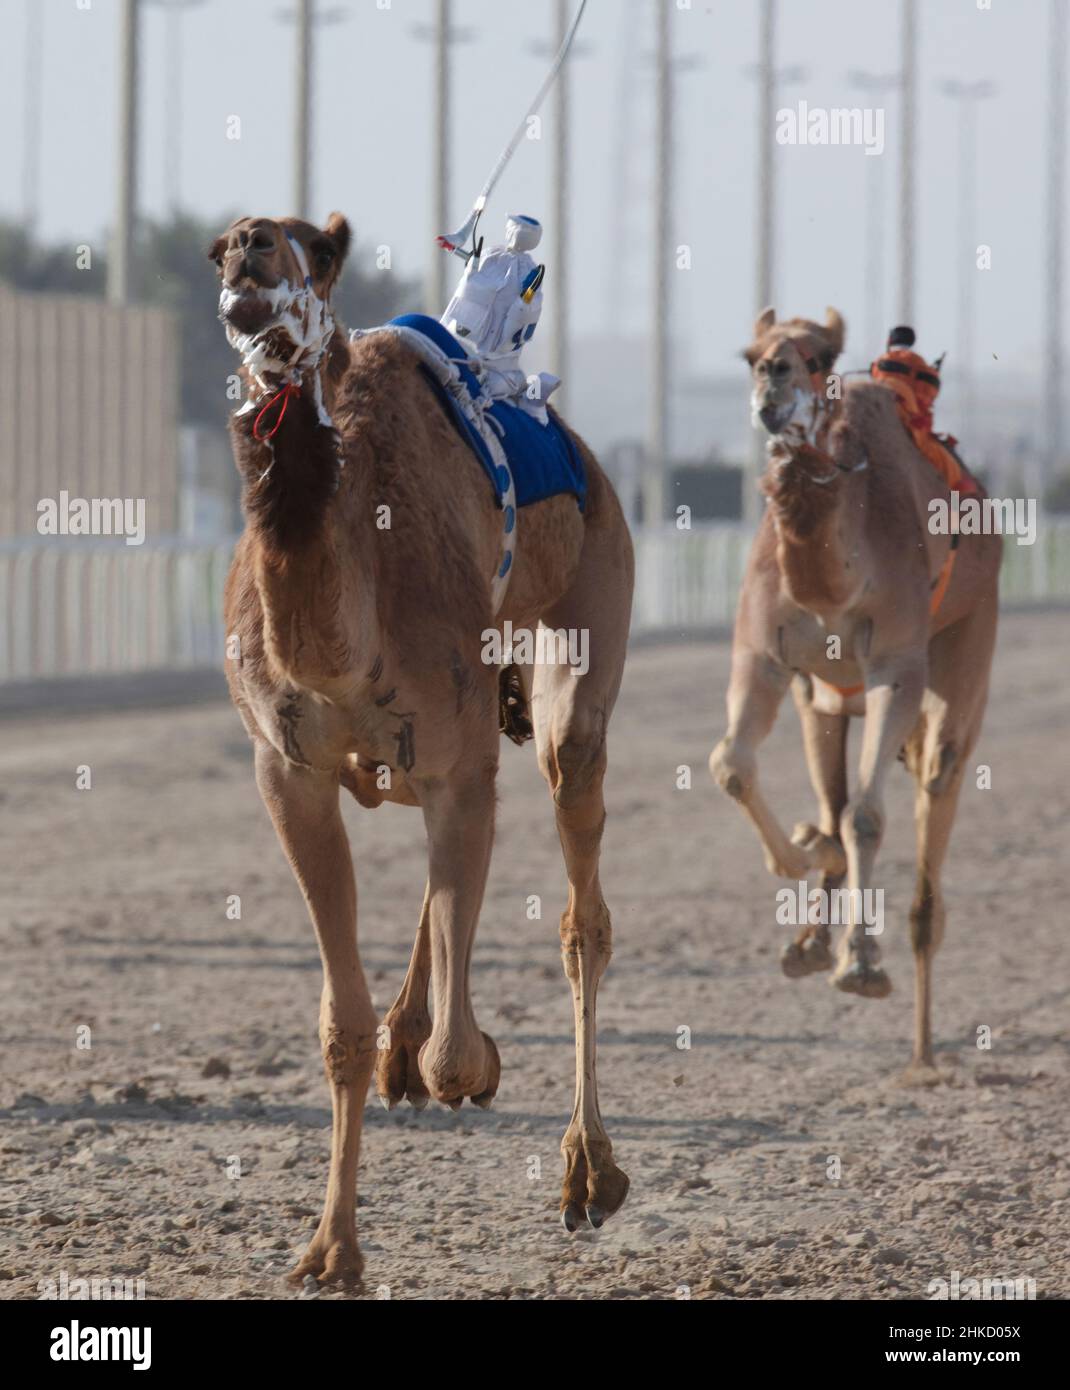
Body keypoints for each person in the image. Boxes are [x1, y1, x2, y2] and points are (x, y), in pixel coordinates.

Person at [441, 215, 560, 422]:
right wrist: (454, 250)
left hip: (498, 365)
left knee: (500, 387)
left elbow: (521, 326)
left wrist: (526, 300)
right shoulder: (492, 255)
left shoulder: (528, 271)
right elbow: (473, 265)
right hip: (462, 339)